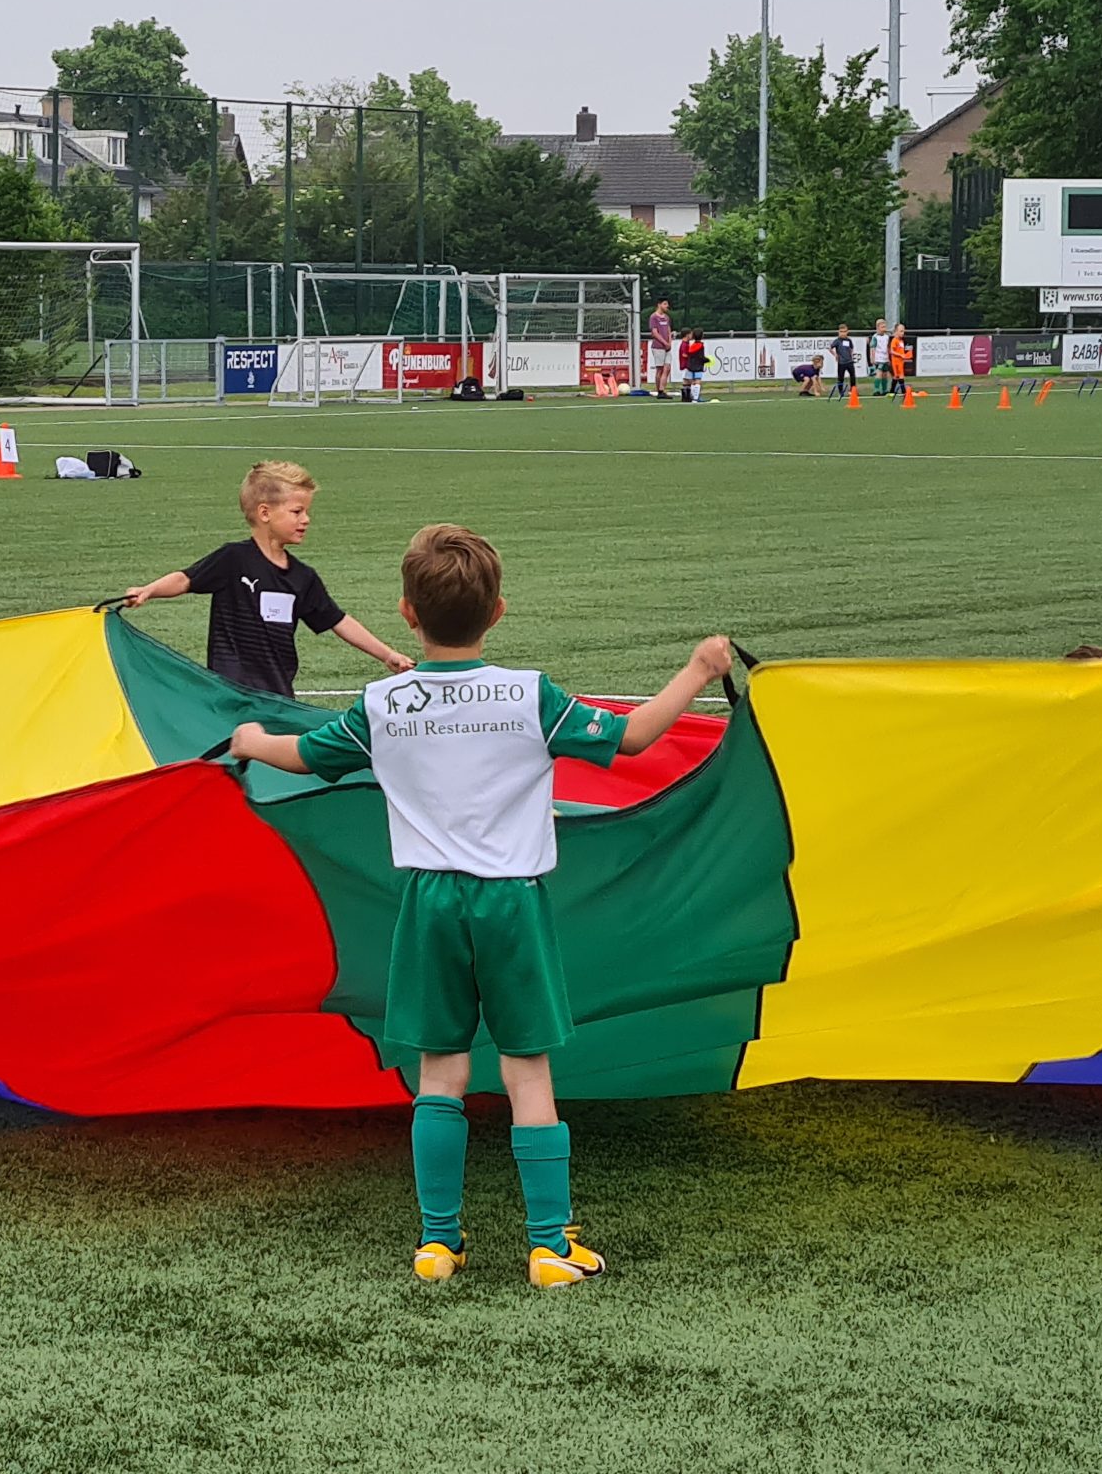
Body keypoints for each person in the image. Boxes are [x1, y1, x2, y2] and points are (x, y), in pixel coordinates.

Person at [229, 525, 730, 1288]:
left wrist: (250, 740)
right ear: (497, 612)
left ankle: (438, 1244)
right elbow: (632, 739)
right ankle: (549, 1247)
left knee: (440, 1073)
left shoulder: (384, 702)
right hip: (511, 904)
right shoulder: (528, 694)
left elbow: (301, 758)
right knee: (528, 1072)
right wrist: (699, 668)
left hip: (429, 904)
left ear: (407, 613)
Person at [123, 461, 413, 697]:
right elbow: (185, 579)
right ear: (265, 513)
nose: (306, 519)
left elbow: (338, 621)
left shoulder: (302, 578)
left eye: (306, 512)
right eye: (297, 511)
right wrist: (149, 590)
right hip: (230, 693)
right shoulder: (233, 559)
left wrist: (387, 655)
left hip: (277, 695)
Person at [648, 298, 674, 399]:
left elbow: (668, 330)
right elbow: (655, 332)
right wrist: (664, 342)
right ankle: (659, 390)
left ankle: (662, 389)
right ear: (659, 305)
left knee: (667, 368)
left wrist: (669, 342)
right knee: (660, 369)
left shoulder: (666, 317)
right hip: (658, 346)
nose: (667, 306)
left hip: (667, 347)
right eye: (665, 304)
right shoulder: (654, 317)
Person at [678, 330, 709, 403]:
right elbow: (700, 356)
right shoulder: (700, 345)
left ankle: (689, 397)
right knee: (697, 380)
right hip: (697, 366)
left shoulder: (692, 345)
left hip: (690, 366)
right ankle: (695, 397)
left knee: (691, 381)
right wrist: (706, 360)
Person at [830, 326, 860, 397]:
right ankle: (840, 392)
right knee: (841, 377)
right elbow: (830, 348)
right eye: (841, 332)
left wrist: (851, 356)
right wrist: (835, 355)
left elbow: (851, 348)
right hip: (841, 362)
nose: (843, 333)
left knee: (852, 376)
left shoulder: (849, 340)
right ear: (838, 332)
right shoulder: (837, 341)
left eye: (844, 331)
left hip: (849, 361)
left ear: (847, 332)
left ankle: (853, 390)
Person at [868, 318, 892, 392]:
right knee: (879, 373)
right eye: (882, 327)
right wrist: (872, 358)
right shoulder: (875, 337)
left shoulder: (886, 337)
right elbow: (872, 348)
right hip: (878, 358)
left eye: (885, 326)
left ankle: (884, 389)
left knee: (885, 374)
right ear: (878, 327)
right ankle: (876, 389)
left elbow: (887, 348)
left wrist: (888, 358)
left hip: (885, 358)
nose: (884, 328)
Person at [889, 324, 912, 397]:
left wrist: (905, 355)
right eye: (901, 331)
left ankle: (901, 391)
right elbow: (892, 351)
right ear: (896, 331)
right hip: (895, 362)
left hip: (900, 361)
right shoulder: (894, 340)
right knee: (897, 376)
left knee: (900, 376)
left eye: (903, 331)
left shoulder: (901, 341)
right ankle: (894, 391)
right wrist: (900, 355)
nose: (903, 333)